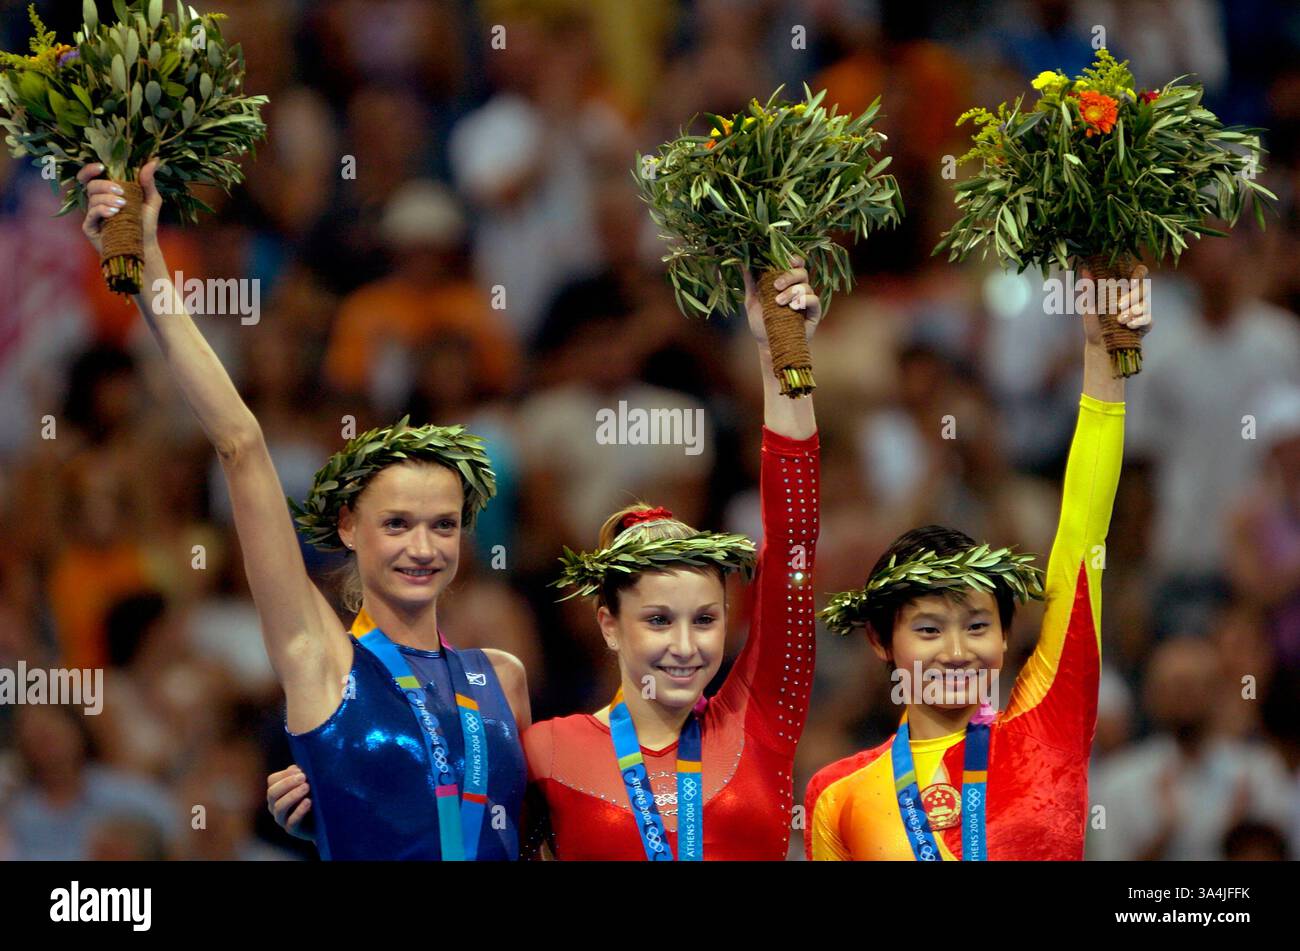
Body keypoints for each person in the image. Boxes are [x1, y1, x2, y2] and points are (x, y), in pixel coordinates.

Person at [271, 258, 824, 860]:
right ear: (608, 624)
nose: (685, 645)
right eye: (658, 619)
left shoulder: (760, 716)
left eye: (706, 620)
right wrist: (338, 793)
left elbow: (794, 540)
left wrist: (780, 359)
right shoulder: (548, 752)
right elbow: (459, 825)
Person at [77, 161, 530, 861]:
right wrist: (148, 263)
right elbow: (240, 444)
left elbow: (527, 839)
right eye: (397, 523)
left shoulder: (503, 676)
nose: (423, 546)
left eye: (442, 525)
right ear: (348, 528)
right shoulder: (320, 656)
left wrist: (344, 804)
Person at [805, 264, 1151, 860]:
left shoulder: (1049, 724)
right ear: (881, 641)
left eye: (977, 625)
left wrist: (1101, 356)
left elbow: (1082, 533)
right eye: (928, 629)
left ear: (1006, 637)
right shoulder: (839, 795)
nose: (957, 650)